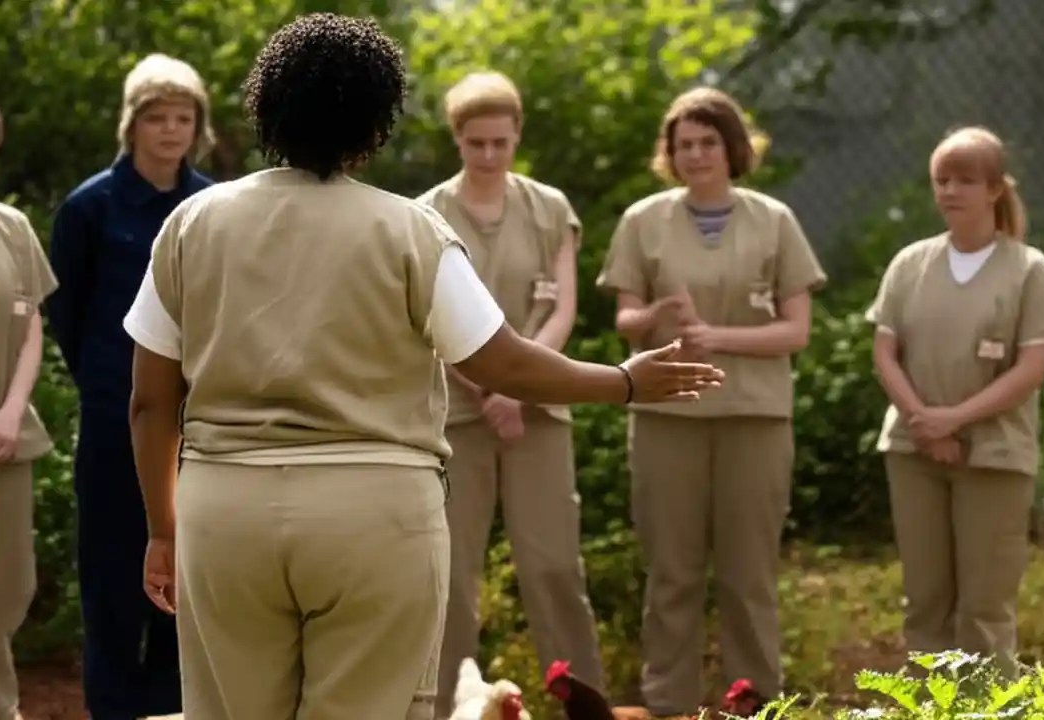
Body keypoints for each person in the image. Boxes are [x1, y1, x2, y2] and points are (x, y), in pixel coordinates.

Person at [121, 13, 724, 720]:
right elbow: (501, 361)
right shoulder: (410, 229)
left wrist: (164, 529)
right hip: (375, 517)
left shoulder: (193, 224)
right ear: (376, 124)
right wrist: (622, 381)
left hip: (226, 513)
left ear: (266, 108)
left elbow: (150, 401)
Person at [596, 86, 826, 715]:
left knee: (748, 574)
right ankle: (668, 703)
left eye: (708, 142)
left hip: (755, 416)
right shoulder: (643, 221)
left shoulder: (775, 220)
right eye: (684, 145)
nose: (695, 154)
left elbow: (797, 331)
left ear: (734, 147)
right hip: (666, 413)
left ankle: (755, 702)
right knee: (671, 571)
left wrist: (718, 337)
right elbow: (626, 321)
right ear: (669, 154)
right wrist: (654, 316)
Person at [418, 70, 608, 717]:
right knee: (449, 575)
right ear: (457, 140)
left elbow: (563, 308)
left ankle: (585, 709)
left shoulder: (550, 209)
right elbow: (428, 318)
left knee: (554, 567)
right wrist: (490, 383)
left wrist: (519, 387)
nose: (489, 155)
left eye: (501, 142)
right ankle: (437, 709)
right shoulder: (426, 213)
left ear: (518, 134)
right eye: (476, 143)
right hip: (455, 415)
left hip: (537, 411)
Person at [866, 126, 1044, 677]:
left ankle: (986, 707)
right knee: (925, 601)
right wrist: (924, 423)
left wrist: (953, 420)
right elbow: (885, 352)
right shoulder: (909, 264)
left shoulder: (1028, 269)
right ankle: (930, 707)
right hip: (913, 451)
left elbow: (1030, 369)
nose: (950, 191)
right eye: (942, 179)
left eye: (965, 180)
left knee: (984, 607)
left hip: (994, 457)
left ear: (995, 189)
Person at [45, 53, 216, 719]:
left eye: (183, 118)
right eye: (156, 117)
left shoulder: (213, 207)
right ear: (131, 124)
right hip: (114, 424)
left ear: (198, 126)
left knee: (191, 583)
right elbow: (67, 312)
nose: (170, 130)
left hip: (199, 422)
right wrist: (107, 382)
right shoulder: (88, 207)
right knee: (113, 583)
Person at [0, 97, 59, 720]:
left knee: (3, 593)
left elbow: (30, 325)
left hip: (3, 442)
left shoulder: (11, 227)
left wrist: (10, 412)